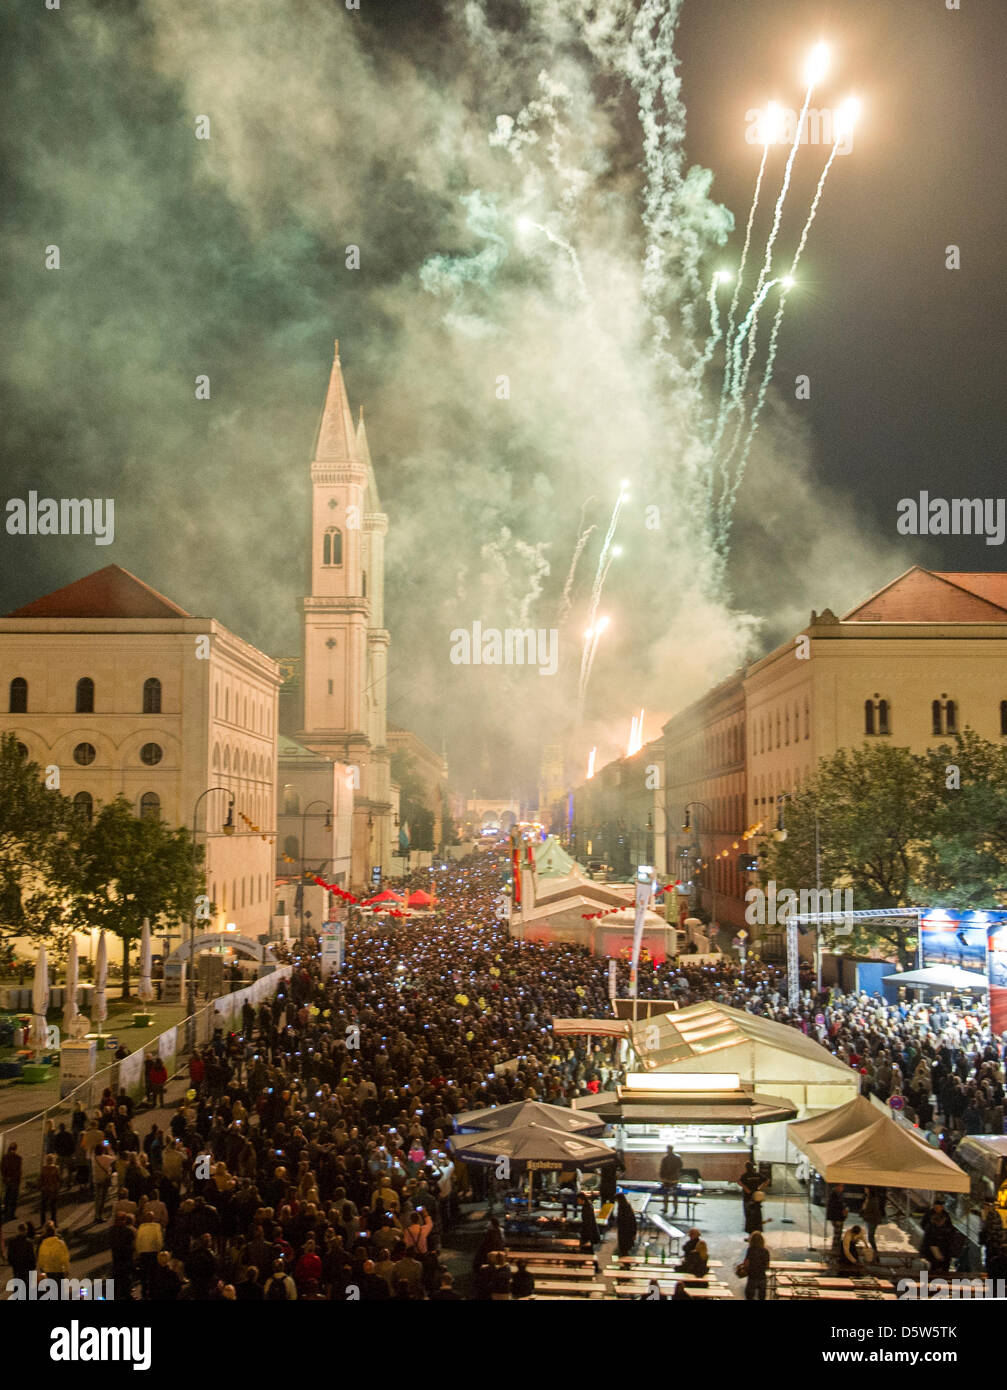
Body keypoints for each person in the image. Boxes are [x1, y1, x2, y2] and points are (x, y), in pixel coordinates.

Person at [741, 1230, 771, 1300]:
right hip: (762, 1277)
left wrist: (744, 1268)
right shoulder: (765, 1251)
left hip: (752, 1276)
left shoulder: (750, 1250)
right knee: (761, 1297)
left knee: (749, 1296)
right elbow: (767, 1265)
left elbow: (746, 1263)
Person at [1, 1141, 23, 1220]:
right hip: (15, 1181)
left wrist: (5, 1177)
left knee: (7, 1195)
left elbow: (3, 1168)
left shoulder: (5, 1157)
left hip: (7, 1180)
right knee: (14, 1198)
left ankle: (6, 1210)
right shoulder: (18, 1158)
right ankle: (11, 1214)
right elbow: (19, 1171)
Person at [660, 1144, 683, 1214]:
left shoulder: (665, 1158)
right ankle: (675, 1209)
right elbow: (680, 1166)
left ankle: (665, 1208)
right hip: (674, 1178)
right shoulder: (677, 1157)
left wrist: (662, 1177)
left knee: (665, 1193)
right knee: (675, 1194)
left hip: (667, 1178)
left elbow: (662, 1169)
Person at [862, 1187, 884, 1258]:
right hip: (869, 1219)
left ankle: (875, 1252)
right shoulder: (868, 1198)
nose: (865, 1189)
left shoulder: (873, 1200)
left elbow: (875, 1211)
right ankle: (875, 1252)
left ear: (869, 1190)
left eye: (866, 1188)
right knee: (870, 1237)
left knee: (870, 1237)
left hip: (872, 1220)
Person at [826, 1183, 848, 1251]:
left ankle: (836, 1248)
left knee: (838, 1233)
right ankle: (835, 1248)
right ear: (837, 1187)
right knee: (837, 1233)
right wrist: (842, 1210)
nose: (842, 1188)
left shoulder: (839, 1194)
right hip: (836, 1216)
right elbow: (834, 1206)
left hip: (839, 1216)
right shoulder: (834, 1195)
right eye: (841, 1186)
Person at [616, 1192, 638, 1257]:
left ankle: (625, 1260)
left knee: (623, 1247)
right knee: (626, 1247)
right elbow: (632, 1220)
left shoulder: (622, 1207)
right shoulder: (627, 1206)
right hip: (627, 1230)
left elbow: (622, 1219)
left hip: (624, 1230)